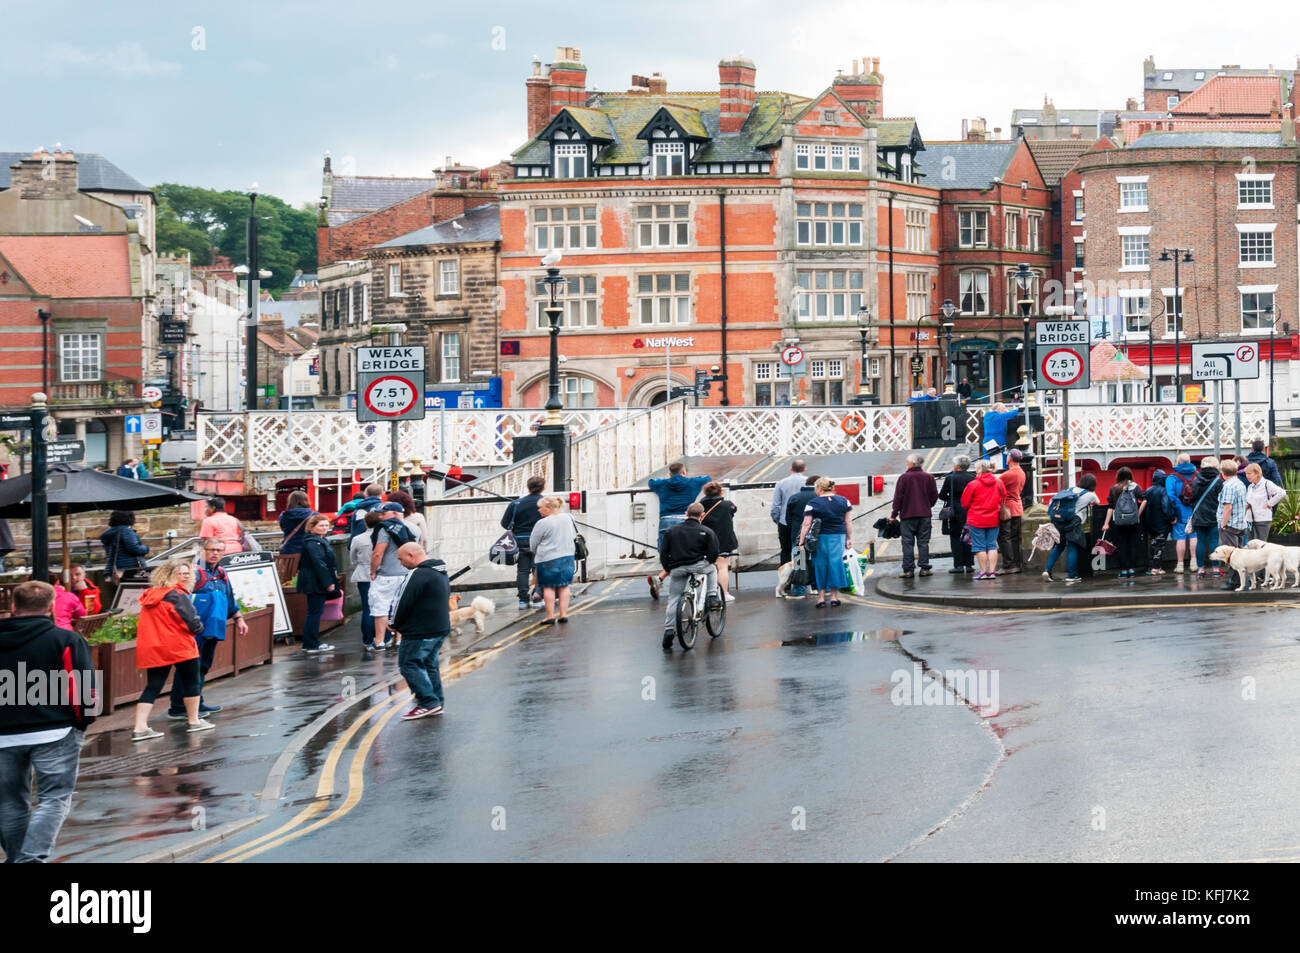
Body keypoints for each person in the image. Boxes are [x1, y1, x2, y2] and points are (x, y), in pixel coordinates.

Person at [0, 581, 95, 863]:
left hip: (3, 735)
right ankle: (29, 860)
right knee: (54, 799)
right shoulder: (66, 640)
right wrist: (82, 722)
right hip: (55, 730)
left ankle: (18, 858)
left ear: (14, 607)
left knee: (8, 802)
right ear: (52, 607)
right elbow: (84, 688)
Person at [166, 539, 247, 718]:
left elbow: (230, 599)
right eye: (211, 550)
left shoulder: (221, 573)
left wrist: (239, 618)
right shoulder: (193, 573)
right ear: (202, 551)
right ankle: (179, 707)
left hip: (212, 628)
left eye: (219, 550)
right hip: (192, 630)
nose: (215, 553)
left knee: (202, 666)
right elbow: (177, 596)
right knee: (189, 667)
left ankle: (196, 703)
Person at [132, 561, 211, 740]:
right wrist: (199, 628)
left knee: (153, 686)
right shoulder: (177, 595)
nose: (185, 576)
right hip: (180, 646)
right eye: (180, 573)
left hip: (156, 646)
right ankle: (194, 721)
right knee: (191, 681)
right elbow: (191, 622)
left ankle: (140, 727)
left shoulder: (150, 596)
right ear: (169, 575)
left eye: (186, 572)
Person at [389, 542, 452, 720]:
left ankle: (428, 703)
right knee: (429, 665)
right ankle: (436, 702)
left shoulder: (417, 574)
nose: (401, 563)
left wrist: (394, 623)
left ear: (411, 555)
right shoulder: (439, 571)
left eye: (401, 559)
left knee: (409, 664)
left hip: (420, 630)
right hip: (439, 627)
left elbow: (403, 601)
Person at [646, 462, 711, 599]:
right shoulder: (692, 483)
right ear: (684, 472)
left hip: (666, 521)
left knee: (668, 554)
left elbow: (651, 482)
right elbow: (707, 478)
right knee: (687, 554)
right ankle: (690, 584)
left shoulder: (662, 484)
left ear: (670, 474)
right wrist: (687, 479)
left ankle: (660, 578)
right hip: (685, 521)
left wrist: (668, 479)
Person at [661, 502, 721, 647]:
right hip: (699, 565)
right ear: (702, 515)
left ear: (686, 514)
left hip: (678, 568)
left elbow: (664, 553)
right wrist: (709, 561)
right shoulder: (706, 531)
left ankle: (669, 630)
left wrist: (668, 568)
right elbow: (713, 554)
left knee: (674, 598)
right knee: (712, 568)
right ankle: (712, 596)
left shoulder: (671, 531)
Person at [369, 503, 417, 648]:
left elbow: (378, 553)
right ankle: (400, 640)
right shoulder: (412, 528)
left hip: (386, 575)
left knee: (381, 607)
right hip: (405, 573)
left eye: (384, 513)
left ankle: (379, 641)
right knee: (401, 607)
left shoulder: (385, 529)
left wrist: (373, 570)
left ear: (395, 514)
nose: (380, 516)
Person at [799, 477, 853, 607]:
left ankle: (821, 598)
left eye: (816, 488)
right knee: (835, 564)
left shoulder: (813, 503)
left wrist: (801, 542)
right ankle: (834, 597)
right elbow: (848, 522)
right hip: (838, 536)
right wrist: (849, 538)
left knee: (820, 565)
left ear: (820, 489)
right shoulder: (844, 501)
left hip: (820, 537)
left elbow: (806, 524)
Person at [1043, 473, 1100, 584]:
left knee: (1059, 546)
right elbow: (1097, 502)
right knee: (1072, 547)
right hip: (1072, 523)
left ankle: (1047, 571)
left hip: (1058, 521)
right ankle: (1072, 575)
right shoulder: (1090, 494)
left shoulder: (1070, 489)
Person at [529, 497, 577, 625]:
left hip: (548, 559)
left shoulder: (542, 523)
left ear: (549, 507)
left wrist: (535, 553)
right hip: (567, 557)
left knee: (548, 587)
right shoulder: (569, 518)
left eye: (541, 507)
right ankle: (563, 614)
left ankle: (550, 616)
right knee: (564, 586)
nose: (539, 510)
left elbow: (533, 543)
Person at [500, 475, 546, 609]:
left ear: (528, 487)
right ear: (543, 487)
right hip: (541, 541)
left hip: (520, 541)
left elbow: (504, 523)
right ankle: (538, 597)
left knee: (522, 571)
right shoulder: (545, 503)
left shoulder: (516, 503)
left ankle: (523, 601)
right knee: (539, 569)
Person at [298, 514, 342, 654]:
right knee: (314, 612)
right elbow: (319, 564)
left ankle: (311, 642)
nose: (324, 528)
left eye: (326, 525)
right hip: (314, 582)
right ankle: (311, 643)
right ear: (312, 527)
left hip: (314, 580)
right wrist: (328, 582)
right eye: (321, 526)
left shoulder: (317, 541)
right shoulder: (314, 543)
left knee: (315, 612)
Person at [890, 452, 939, 579]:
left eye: (907, 462)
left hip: (907, 516)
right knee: (923, 542)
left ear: (912, 463)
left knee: (907, 543)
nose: (906, 464)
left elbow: (898, 498)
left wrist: (893, 514)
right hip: (924, 515)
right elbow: (934, 496)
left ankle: (908, 570)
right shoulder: (929, 477)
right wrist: (927, 505)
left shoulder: (904, 478)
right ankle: (924, 568)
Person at [960, 459, 1007, 580]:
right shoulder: (999, 482)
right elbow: (1004, 497)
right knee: (992, 545)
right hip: (994, 518)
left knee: (979, 546)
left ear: (979, 470)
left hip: (976, 519)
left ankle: (983, 571)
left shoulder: (973, 484)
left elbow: (964, 503)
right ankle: (992, 572)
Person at [1100, 467, 1147, 579]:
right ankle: (1131, 569)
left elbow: (1111, 507)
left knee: (1121, 545)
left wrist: (1106, 524)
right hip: (1133, 522)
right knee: (1132, 545)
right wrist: (1138, 515)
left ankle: (1123, 570)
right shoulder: (1136, 487)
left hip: (1119, 522)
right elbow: (1144, 500)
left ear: (1118, 476)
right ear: (1130, 476)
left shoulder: (1114, 489)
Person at [700, 482, 739, 602]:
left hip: (705, 539)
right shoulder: (727, 505)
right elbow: (734, 510)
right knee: (723, 567)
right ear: (721, 492)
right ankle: (724, 594)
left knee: (706, 567)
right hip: (724, 540)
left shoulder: (700, 506)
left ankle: (707, 594)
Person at [1217, 459, 1250, 591]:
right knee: (1239, 554)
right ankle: (1243, 581)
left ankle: (1234, 582)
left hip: (1230, 525)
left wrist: (1223, 524)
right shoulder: (1240, 483)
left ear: (1222, 473)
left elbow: (1228, 508)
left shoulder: (1228, 486)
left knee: (1231, 556)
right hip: (1241, 523)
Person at [939, 456, 976, 574]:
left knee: (955, 537)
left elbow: (942, 495)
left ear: (958, 466)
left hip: (954, 511)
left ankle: (958, 565)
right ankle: (969, 564)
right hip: (969, 510)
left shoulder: (950, 478)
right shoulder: (973, 477)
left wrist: (951, 498)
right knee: (968, 537)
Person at [784, 476, 818, 597]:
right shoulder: (818, 497)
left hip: (797, 535)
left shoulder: (794, 498)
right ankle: (817, 588)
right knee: (816, 561)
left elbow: (787, 519)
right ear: (816, 484)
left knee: (799, 563)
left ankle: (799, 591)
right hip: (816, 536)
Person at [1165, 453, 1200, 573]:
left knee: (1180, 538)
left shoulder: (1172, 477)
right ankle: (1194, 562)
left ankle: (1180, 565)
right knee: (1194, 536)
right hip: (1194, 510)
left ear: (1178, 462)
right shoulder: (1197, 475)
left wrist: (1176, 509)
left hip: (1179, 512)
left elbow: (1170, 495)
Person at [770, 460, 808, 567]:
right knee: (799, 548)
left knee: (785, 550)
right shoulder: (808, 482)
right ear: (805, 469)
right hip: (803, 521)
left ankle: (786, 579)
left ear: (791, 469)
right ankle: (800, 576)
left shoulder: (781, 483)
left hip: (784, 522)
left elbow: (775, 507)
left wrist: (778, 521)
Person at [1190, 457, 1223, 578]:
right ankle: (1215, 568)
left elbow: (1192, 498)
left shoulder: (1196, 480)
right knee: (1214, 542)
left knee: (1201, 542)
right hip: (1214, 516)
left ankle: (1200, 569)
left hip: (1199, 516)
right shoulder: (1218, 481)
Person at [350, 513, 378, 652]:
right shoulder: (383, 537)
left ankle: (367, 639)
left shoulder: (358, 538)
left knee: (367, 608)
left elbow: (353, 558)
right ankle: (382, 637)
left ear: (365, 523)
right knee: (382, 607)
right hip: (380, 574)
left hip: (363, 574)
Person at [997, 449, 1027, 574]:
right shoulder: (1021, 472)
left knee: (1004, 537)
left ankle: (1008, 565)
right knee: (1014, 538)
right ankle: (1016, 564)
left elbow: (995, 486)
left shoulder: (1008, 474)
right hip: (1017, 507)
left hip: (1007, 508)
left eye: (1007, 456)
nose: (1006, 458)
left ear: (1010, 458)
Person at [1142, 468, 1176, 574]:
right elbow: (1166, 506)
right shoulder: (1163, 491)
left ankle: (1153, 565)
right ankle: (1156, 568)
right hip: (1161, 523)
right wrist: (1172, 518)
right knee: (1160, 545)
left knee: (1153, 544)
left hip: (1150, 523)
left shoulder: (1148, 490)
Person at [99, 510, 149, 583]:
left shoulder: (110, 532)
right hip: (129, 569)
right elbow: (133, 548)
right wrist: (146, 548)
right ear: (129, 518)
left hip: (113, 570)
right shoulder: (126, 531)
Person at [1243, 462, 1287, 543]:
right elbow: (1250, 500)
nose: (1247, 476)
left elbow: (1282, 493)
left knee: (1261, 544)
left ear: (1257, 473)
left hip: (1262, 519)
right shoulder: (1250, 486)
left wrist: (1270, 503)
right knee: (1251, 544)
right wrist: (1247, 504)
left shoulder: (1267, 484)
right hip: (1250, 520)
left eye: (1249, 473)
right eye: (1246, 474)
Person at [277, 491, 316, 557]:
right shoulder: (314, 515)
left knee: (291, 567)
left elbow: (283, 528)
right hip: (309, 550)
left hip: (289, 551)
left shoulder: (283, 515)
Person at [981, 402, 1019, 466]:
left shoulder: (986, 416)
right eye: (1004, 408)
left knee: (987, 457)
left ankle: (986, 471)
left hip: (987, 439)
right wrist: (1009, 411)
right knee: (1002, 457)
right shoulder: (1000, 416)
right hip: (998, 439)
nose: (1005, 409)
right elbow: (1014, 413)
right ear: (998, 409)